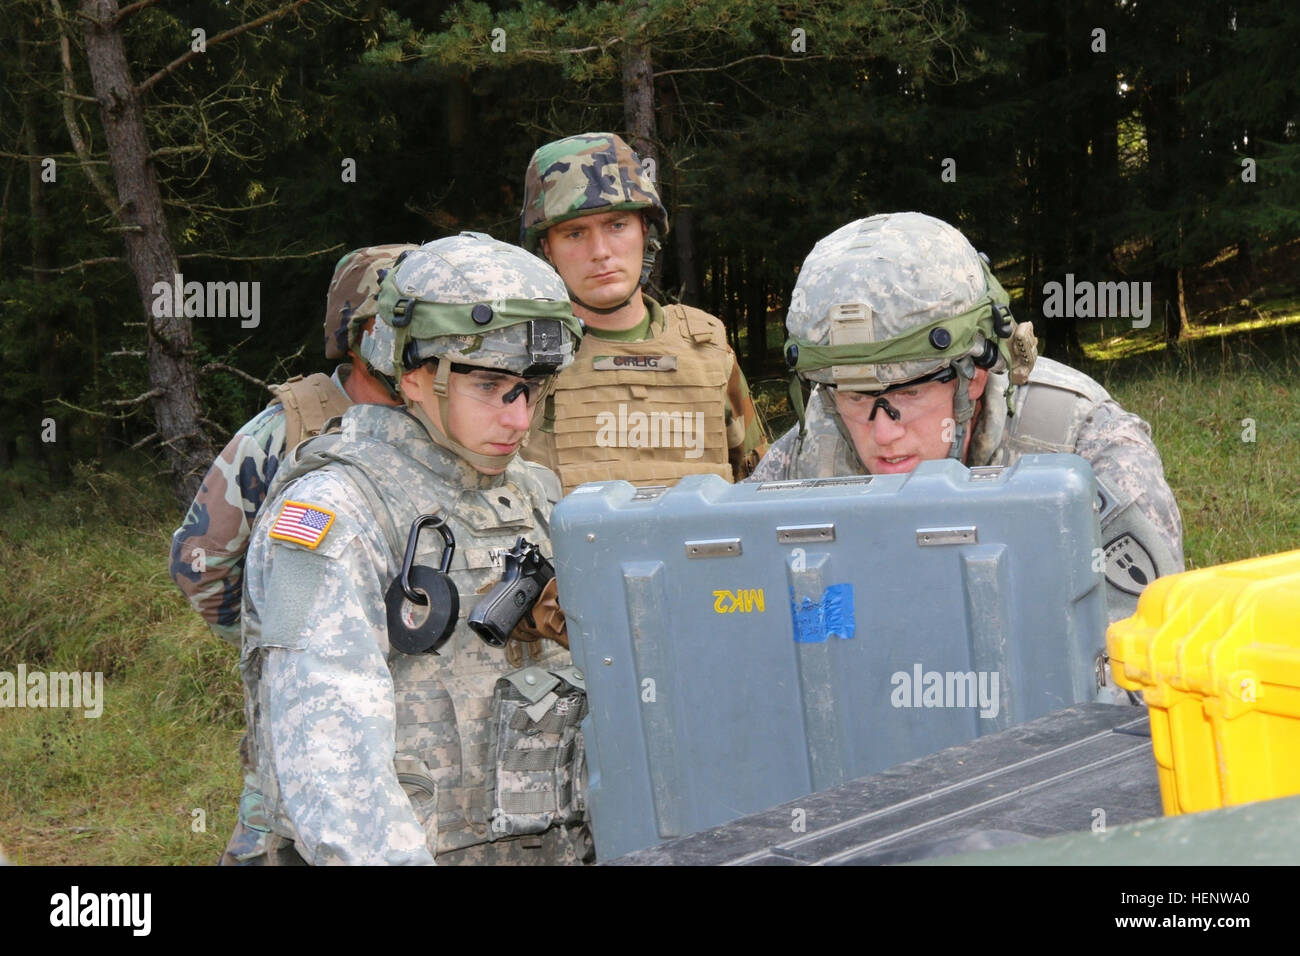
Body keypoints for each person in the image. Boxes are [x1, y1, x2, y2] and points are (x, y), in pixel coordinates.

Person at [230, 232, 589, 865]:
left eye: (531, 388)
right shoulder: (330, 512)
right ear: (417, 375)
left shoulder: (536, 495)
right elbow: (332, 767)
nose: (518, 419)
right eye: (490, 386)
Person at [753, 212, 1183, 621]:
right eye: (854, 395)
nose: (882, 431)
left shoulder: (1084, 448)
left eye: (910, 391)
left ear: (974, 376)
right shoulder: (807, 458)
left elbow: (1151, 658)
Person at [169, 244, 415, 645]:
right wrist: (281, 645)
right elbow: (199, 563)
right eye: (393, 323)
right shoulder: (286, 431)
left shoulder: (461, 422)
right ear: (355, 332)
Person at [518, 132, 768, 492]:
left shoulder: (708, 350)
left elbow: (759, 488)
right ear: (547, 250)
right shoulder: (519, 360)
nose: (600, 251)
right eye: (575, 234)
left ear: (644, 232)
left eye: (616, 225)